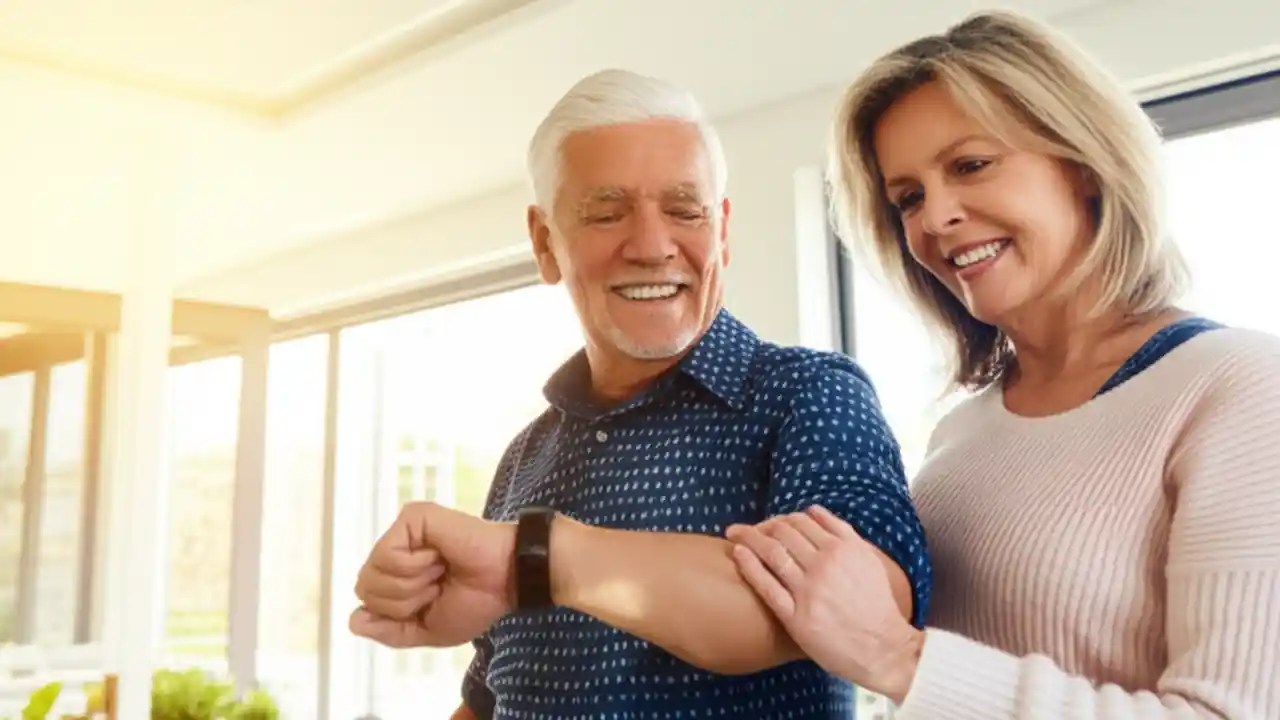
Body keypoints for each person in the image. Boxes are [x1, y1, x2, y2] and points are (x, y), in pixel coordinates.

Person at [725, 9, 1280, 719]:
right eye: (909, 198)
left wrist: (896, 656)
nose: (935, 219)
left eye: (971, 166)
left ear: (1084, 165)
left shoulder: (1241, 388)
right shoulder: (959, 436)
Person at [347, 69, 933, 718]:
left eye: (685, 210)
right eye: (606, 213)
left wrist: (533, 557)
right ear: (544, 243)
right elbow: (488, 696)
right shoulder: (523, 460)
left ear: (722, 231)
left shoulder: (809, 396)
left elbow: (874, 606)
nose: (653, 247)